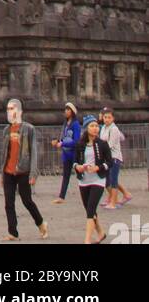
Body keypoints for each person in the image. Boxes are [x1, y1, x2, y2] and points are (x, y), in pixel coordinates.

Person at [0, 98, 48, 241]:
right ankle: (13, 232)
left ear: (20, 111)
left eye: (12, 108)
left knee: (27, 200)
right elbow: (4, 154)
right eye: (8, 109)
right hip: (8, 171)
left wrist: (33, 173)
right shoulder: (6, 130)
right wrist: (2, 174)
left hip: (23, 171)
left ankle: (41, 223)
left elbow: (33, 152)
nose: (10, 112)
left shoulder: (28, 129)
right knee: (9, 203)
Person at [74, 116, 113, 244]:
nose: (95, 128)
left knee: (90, 210)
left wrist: (98, 167)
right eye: (92, 126)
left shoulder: (102, 144)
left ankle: (87, 240)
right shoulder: (80, 144)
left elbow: (110, 162)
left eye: (97, 126)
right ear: (86, 128)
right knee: (89, 209)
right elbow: (74, 162)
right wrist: (78, 167)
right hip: (84, 180)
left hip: (98, 180)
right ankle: (101, 233)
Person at [99, 107, 132, 209]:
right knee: (107, 180)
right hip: (107, 158)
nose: (107, 119)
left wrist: (100, 151)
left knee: (113, 180)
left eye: (109, 117)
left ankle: (113, 202)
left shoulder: (114, 129)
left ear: (113, 118)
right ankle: (121, 196)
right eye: (105, 117)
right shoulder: (104, 128)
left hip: (114, 157)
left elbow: (110, 145)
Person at [51, 102, 81, 203]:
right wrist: (58, 142)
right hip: (66, 153)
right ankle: (61, 196)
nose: (66, 112)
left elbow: (76, 141)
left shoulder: (75, 124)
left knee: (80, 174)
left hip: (74, 153)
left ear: (72, 112)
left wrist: (63, 144)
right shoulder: (65, 124)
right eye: (66, 110)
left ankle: (89, 190)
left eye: (68, 110)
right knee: (66, 176)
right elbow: (64, 138)